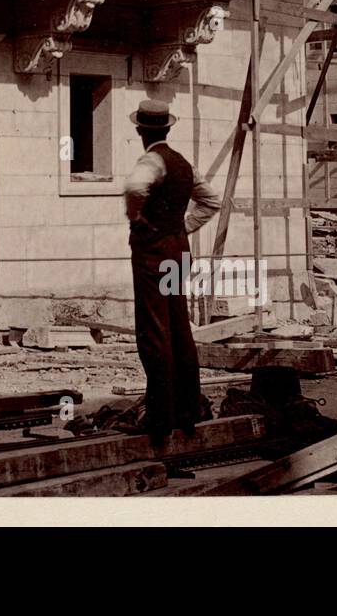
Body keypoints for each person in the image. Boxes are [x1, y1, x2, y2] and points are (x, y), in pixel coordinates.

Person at [124, 100, 221, 447]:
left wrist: (139, 221)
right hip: (178, 252)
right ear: (167, 128)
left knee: (153, 331)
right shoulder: (183, 164)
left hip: (152, 254)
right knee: (179, 327)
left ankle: (161, 420)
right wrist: (181, 227)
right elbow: (212, 201)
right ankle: (188, 412)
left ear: (140, 131)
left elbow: (135, 189)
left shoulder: (151, 161)